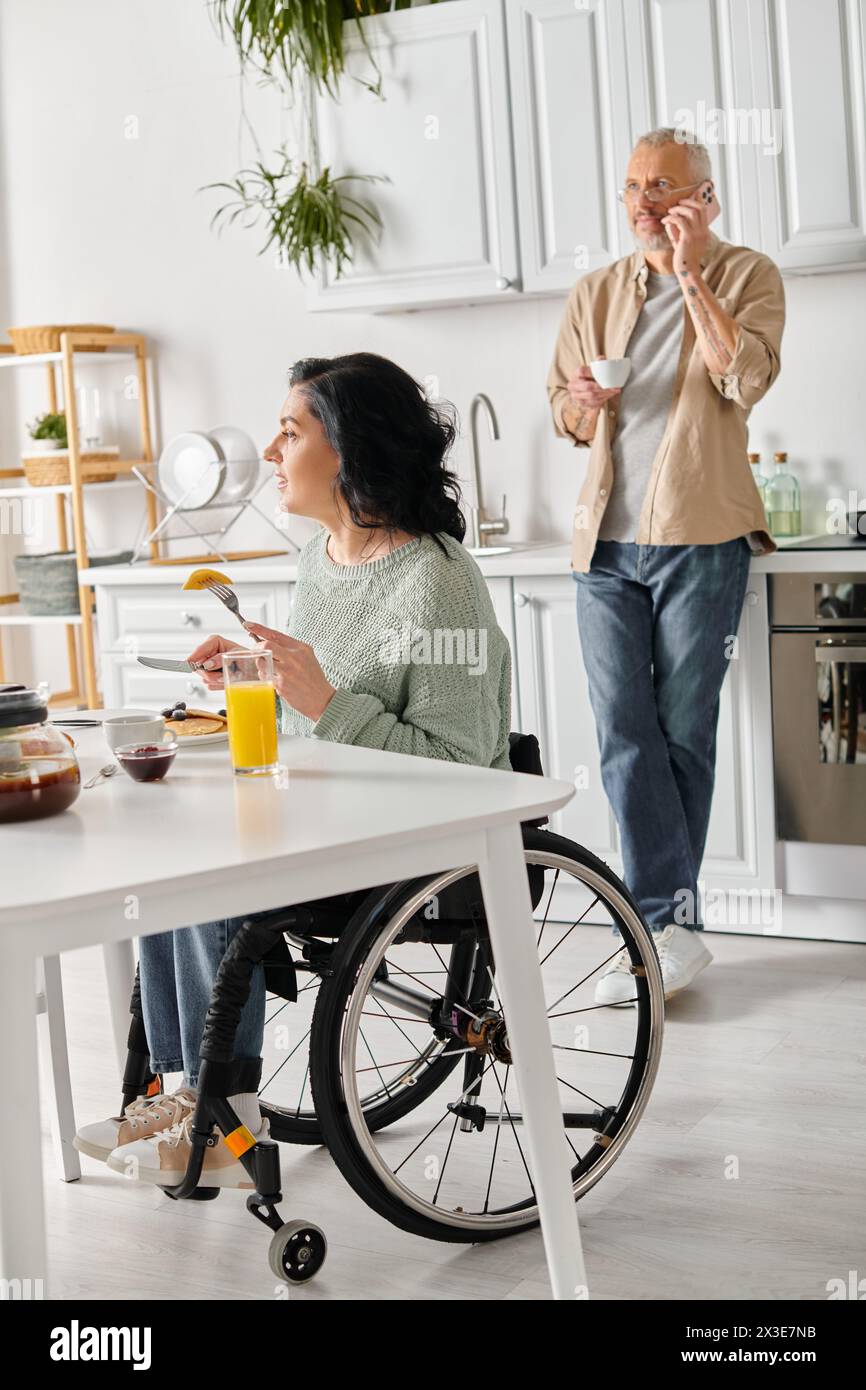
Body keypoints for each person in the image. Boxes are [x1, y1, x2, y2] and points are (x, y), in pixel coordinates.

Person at [75, 352, 513, 1184]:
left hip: (411, 841)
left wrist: (318, 702)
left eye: (288, 432)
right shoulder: (320, 562)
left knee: (213, 870)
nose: (272, 454)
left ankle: (223, 1116)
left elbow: (464, 770)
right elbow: (322, 706)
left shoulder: (440, 584)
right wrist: (254, 674)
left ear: (348, 448)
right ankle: (184, 1091)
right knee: (169, 847)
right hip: (328, 813)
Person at [546, 128, 785, 1005]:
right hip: (603, 541)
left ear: (703, 197)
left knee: (684, 730)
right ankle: (664, 927)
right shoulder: (595, 291)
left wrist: (690, 273)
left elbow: (743, 378)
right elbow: (561, 411)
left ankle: (660, 927)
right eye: (634, 185)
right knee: (622, 728)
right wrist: (580, 403)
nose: (644, 201)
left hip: (701, 533)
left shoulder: (747, 275)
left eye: (665, 187)